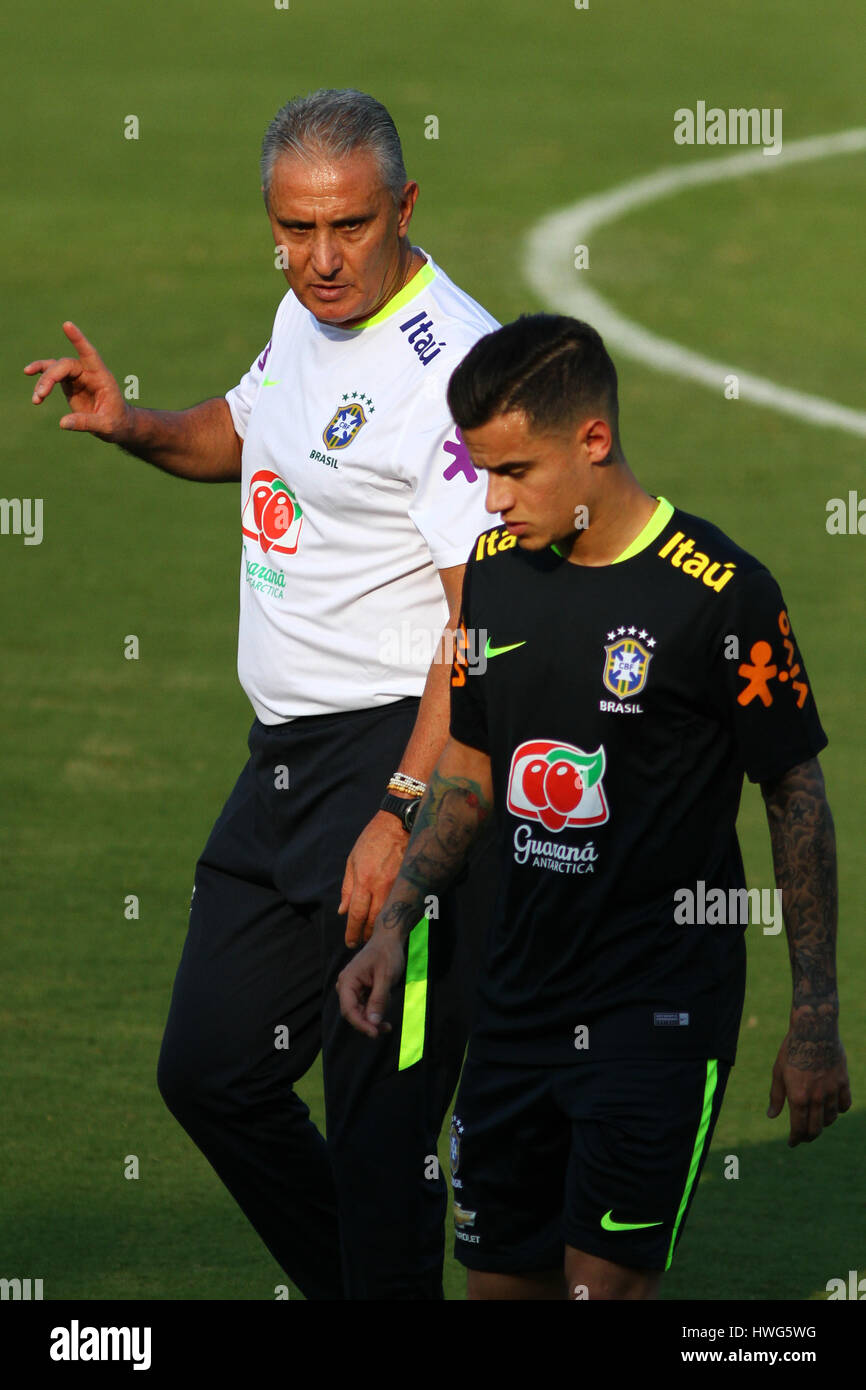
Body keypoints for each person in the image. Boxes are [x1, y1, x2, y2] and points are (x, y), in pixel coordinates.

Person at [24, 88, 499, 1300]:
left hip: (393, 755)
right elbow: (247, 431)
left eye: (345, 228)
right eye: (293, 230)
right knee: (212, 1071)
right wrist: (132, 423)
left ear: (403, 208)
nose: (319, 258)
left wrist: (401, 809)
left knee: (380, 1137)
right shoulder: (304, 313)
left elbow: (476, 627)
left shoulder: (451, 372)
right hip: (281, 765)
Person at [337, 313, 851, 1300]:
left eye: (514, 470)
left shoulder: (721, 595)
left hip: (653, 1013)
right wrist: (394, 919)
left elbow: (794, 798)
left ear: (593, 441)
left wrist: (815, 1014)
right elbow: (472, 772)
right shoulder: (492, 574)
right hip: (515, 1005)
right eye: (480, 471)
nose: (492, 499)